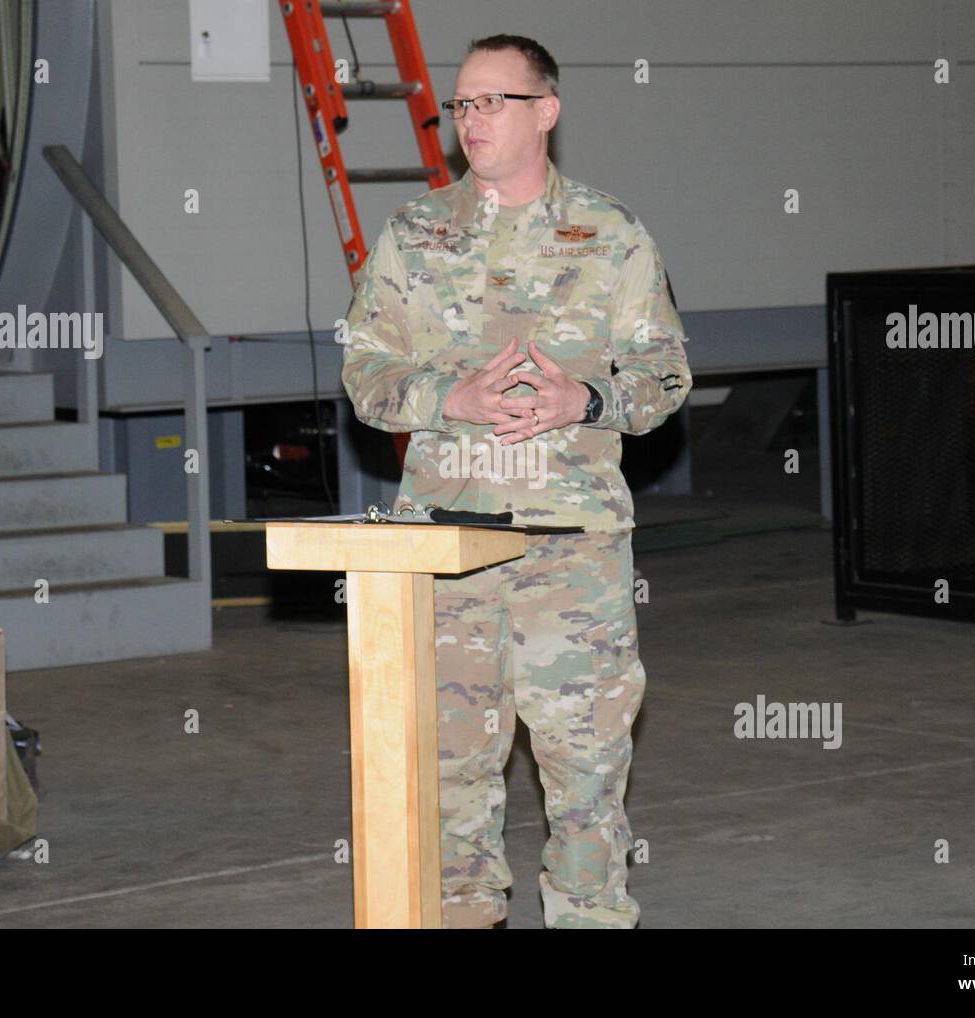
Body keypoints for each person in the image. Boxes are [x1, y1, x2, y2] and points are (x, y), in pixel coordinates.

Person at [341, 33, 691, 929]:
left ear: (547, 111)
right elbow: (366, 374)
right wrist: (448, 394)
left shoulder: (610, 235)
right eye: (461, 104)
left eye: (494, 101)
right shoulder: (414, 234)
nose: (472, 120)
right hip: (448, 549)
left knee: (585, 767)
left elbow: (666, 380)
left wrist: (586, 398)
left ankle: (589, 918)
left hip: (571, 552)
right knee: (449, 770)